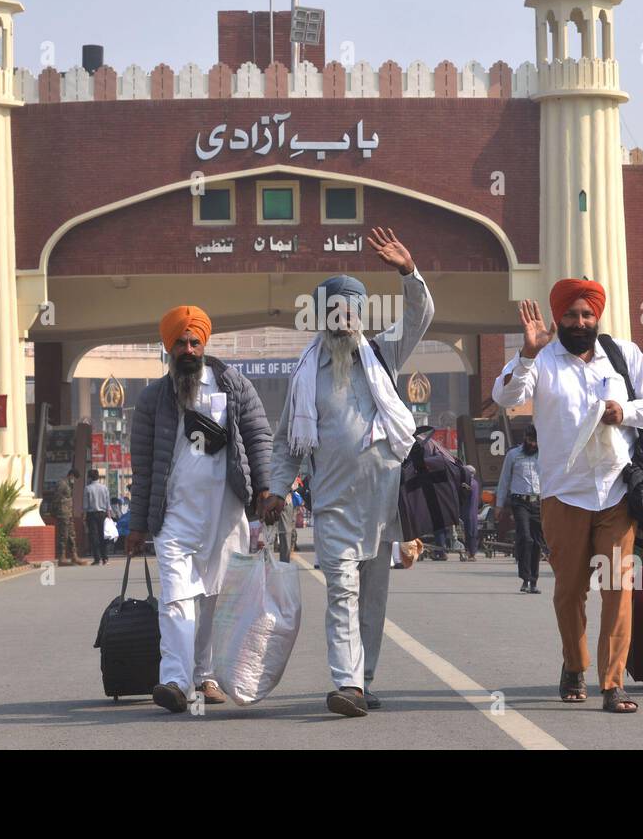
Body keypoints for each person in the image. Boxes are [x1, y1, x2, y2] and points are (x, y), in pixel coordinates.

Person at [263, 227, 434, 718]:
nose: (344, 318)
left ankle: (366, 677)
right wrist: (278, 490)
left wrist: (408, 271)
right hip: (334, 503)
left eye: (351, 309)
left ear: (360, 315)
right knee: (341, 591)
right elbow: (286, 445)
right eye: (335, 311)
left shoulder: (383, 354)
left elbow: (421, 316)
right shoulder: (304, 374)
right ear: (322, 317)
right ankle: (347, 684)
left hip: (384, 502)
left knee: (373, 598)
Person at [492, 279, 643, 715]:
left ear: (597, 317)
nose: (579, 322)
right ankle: (574, 665)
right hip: (563, 494)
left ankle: (612, 683)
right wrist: (528, 352)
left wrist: (625, 411)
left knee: (616, 587)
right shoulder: (542, 360)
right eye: (570, 315)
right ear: (558, 318)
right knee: (570, 591)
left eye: (586, 314)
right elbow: (505, 395)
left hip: (616, 491)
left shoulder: (622, 355)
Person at [125, 305, 272, 714]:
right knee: (176, 596)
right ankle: (174, 679)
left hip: (226, 516)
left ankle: (205, 674)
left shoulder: (233, 385)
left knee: (214, 598)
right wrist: (138, 525)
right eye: (180, 343)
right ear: (168, 348)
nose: (187, 349)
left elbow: (259, 437)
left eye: (194, 342)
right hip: (175, 518)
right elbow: (143, 465)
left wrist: (264, 489)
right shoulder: (154, 399)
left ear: (204, 344)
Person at [496, 425, 543, 593]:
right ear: (525, 438)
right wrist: (499, 505)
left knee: (537, 542)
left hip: (538, 503)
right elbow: (504, 480)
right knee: (525, 537)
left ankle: (534, 581)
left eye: (536, 441)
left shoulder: (543, 456)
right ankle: (525, 577)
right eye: (531, 440)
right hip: (519, 502)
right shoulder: (513, 455)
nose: (533, 444)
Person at [50, 468, 84, 566]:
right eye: (74, 477)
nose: (74, 480)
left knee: (72, 535)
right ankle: (62, 557)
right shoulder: (62, 484)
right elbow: (56, 498)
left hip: (68, 513)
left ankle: (74, 556)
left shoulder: (69, 484)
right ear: (71, 475)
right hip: (62, 513)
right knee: (63, 535)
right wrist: (54, 512)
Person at [83, 469, 112, 566]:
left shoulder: (88, 488)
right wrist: (109, 516)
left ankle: (97, 559)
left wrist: (84, 516)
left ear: (90, 478)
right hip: (103, 514)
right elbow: (108, 503)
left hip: (92, 515)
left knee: (94, 536)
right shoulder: (104, 488)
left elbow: (85, 505)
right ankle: (105, 558)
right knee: (104, 535)